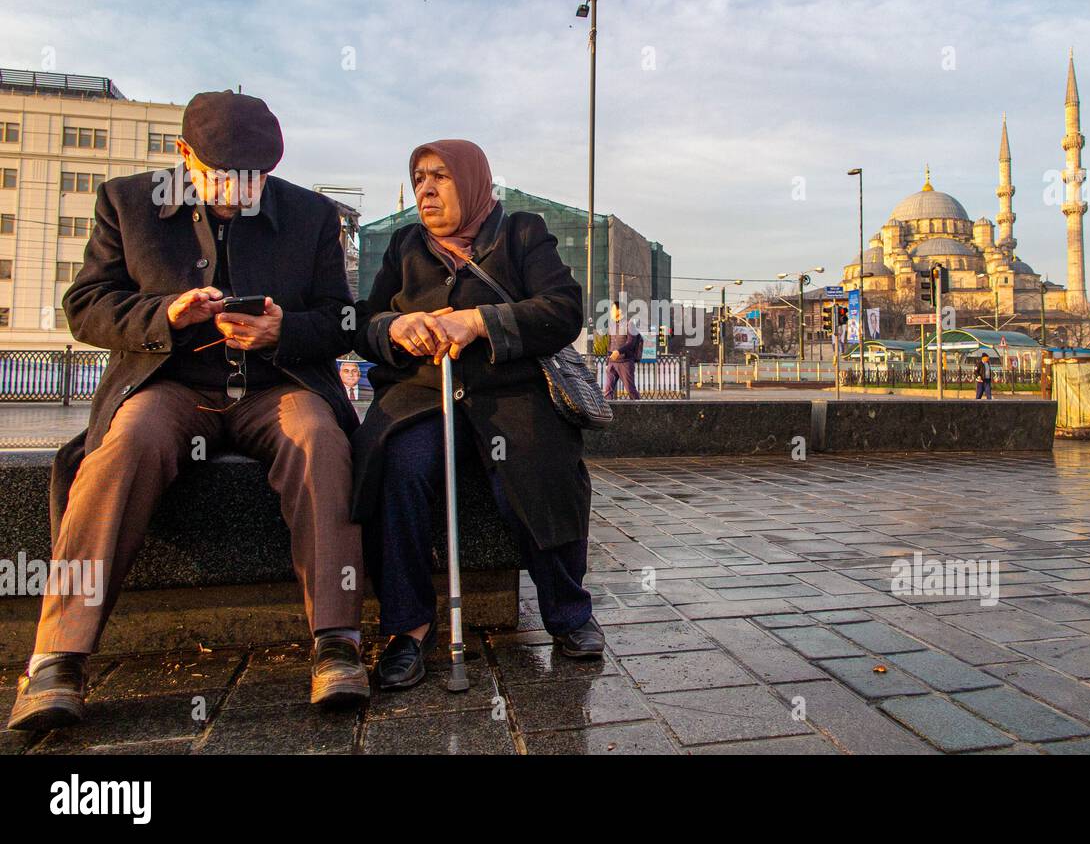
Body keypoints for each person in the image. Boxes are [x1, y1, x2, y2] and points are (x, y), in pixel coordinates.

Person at [7, 90, 368, 732]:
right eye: (226, 176)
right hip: (170, 386)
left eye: (258, 176)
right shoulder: (127, 202)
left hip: (273, 384)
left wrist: (284, 332)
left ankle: (337, 640)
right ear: (183, 157)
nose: (244, 190)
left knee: (319, 437)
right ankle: (58, 657)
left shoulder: (313, 216)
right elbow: (85, 305)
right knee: (125, 446)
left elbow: (343, 320)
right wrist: (164, 317)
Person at [352, 138, 603, 692]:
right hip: (422, 396)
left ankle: (568, 610)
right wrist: (395, 329)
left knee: (539, 463)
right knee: (398, 467)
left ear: (471, 181)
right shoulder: (403, 246)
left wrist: (481, 321)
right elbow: (364, 324)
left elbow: (562, 309)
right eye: (418, 178)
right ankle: (408, 630)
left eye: (439, 176)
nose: (426, 189)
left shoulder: (521, 234)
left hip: (509, 393)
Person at [603, 299, 642, 400]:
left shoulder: (630, 325)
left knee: (630, 389)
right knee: (608, 389)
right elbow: (610, 343)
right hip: (612, 362)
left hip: (625, 362)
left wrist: (618, 351)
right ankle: (609, 413)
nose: (611, 312)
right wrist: (608, 360)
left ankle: (640, 410)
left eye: (612, 309)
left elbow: (630, 343)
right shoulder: (612, 325)